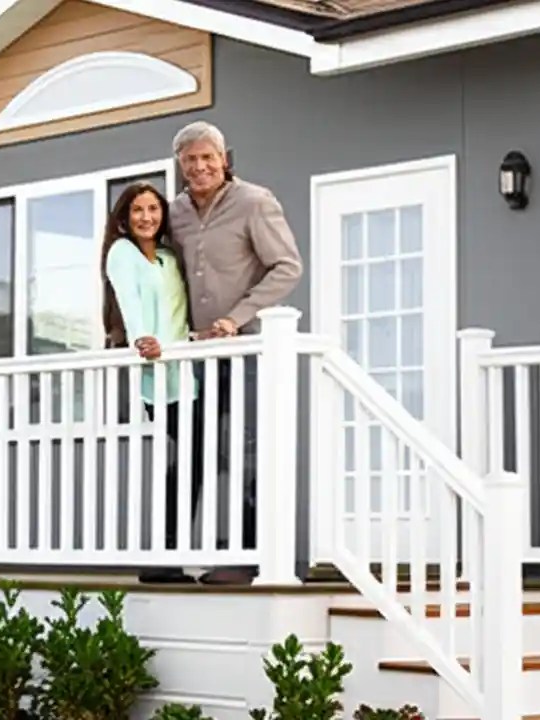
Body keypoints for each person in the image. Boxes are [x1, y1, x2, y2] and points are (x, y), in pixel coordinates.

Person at [162, 120, 304, 585]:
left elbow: (287, 267)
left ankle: (248, 558)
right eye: (190, 159)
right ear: (181, 165)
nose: (200, 166)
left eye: (208, 157)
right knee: (190, 451)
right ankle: (172, 556)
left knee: (246, 453)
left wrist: (236, 317)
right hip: (195, 355)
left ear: (225, 159)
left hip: (247, 351)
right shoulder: (174, 212)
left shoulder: (255, 202)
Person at [101, 181, 205, 584]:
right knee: (192, 452)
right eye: (138, 210)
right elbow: (127, 297)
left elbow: (180, 308)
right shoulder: (121, 252)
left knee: (195, 455)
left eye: (154, 209)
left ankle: (170, 551)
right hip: (156, 371)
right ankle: (164, 552)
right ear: (125, 218)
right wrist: (141, 336)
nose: (147, 217)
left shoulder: (167, 257)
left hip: (188, 372)